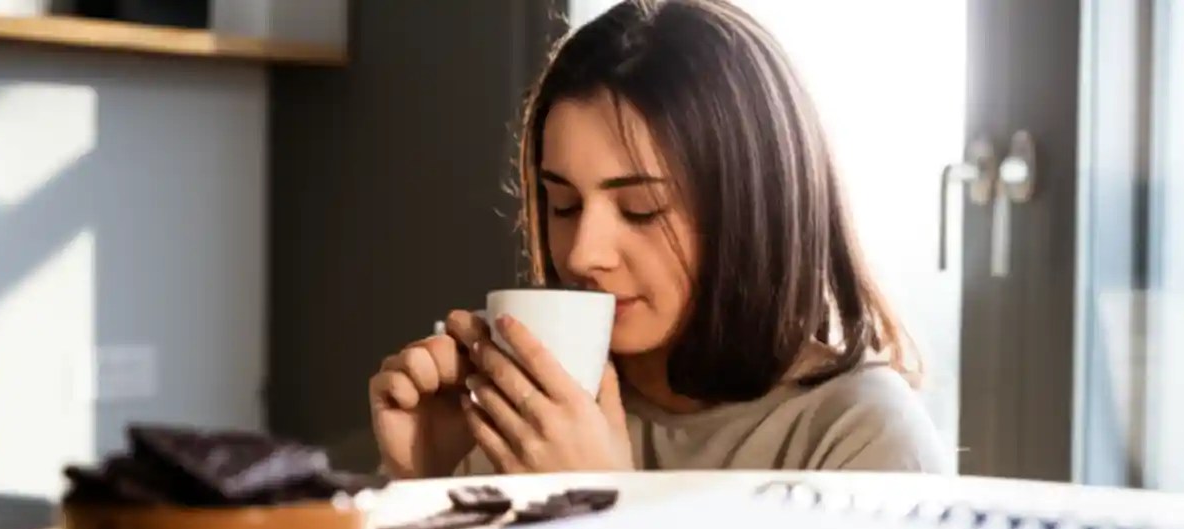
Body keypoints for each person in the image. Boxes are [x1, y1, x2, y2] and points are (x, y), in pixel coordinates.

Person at [368, 0, 951, 479]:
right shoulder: (534, 416)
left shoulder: (863, 440)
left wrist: (602, 504)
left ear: (750, 210)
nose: (580, 254)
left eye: (640, 209)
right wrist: (423, 483)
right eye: (564, 203)